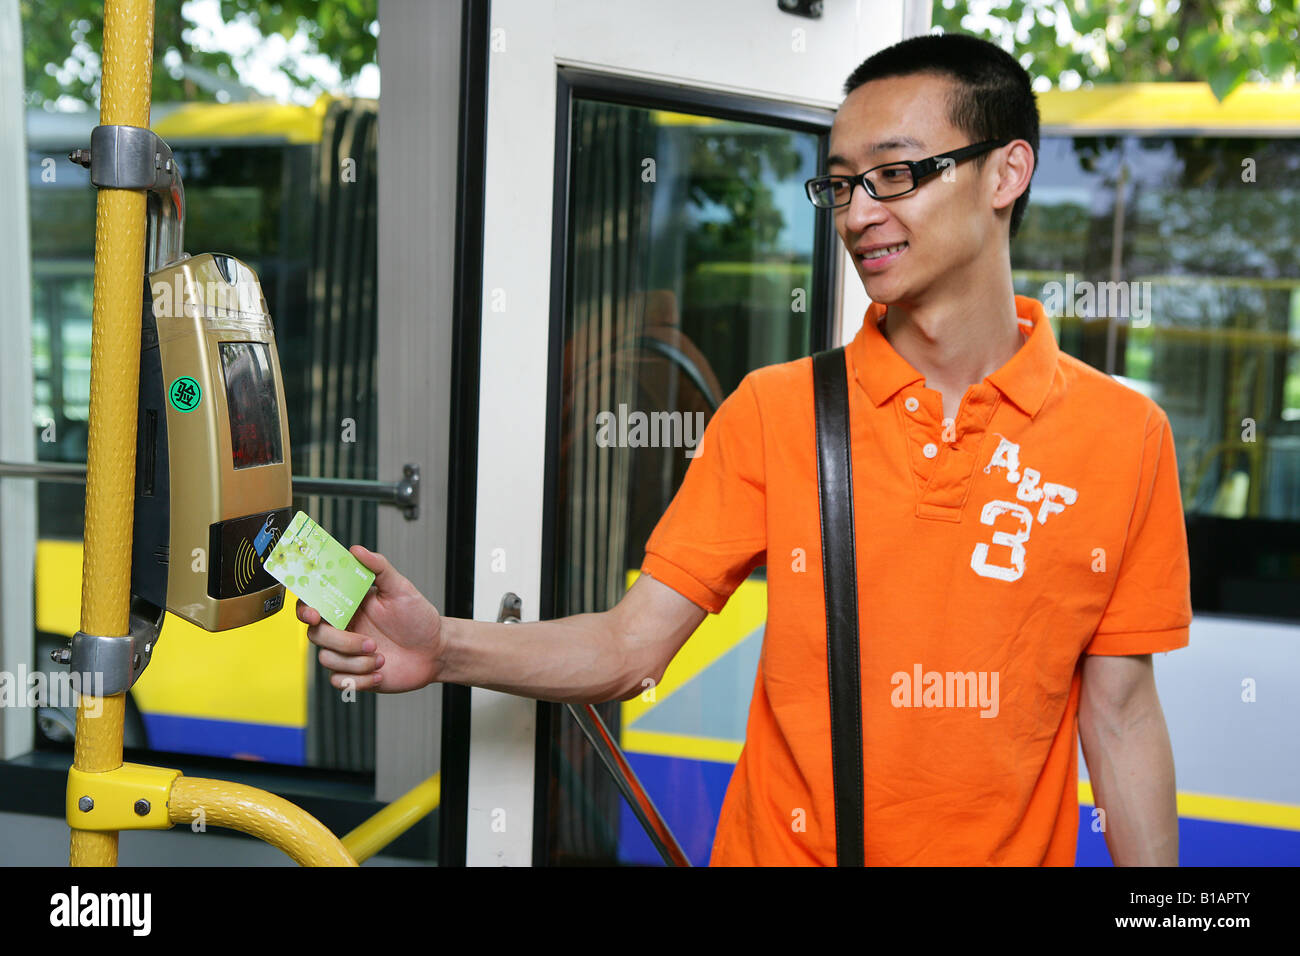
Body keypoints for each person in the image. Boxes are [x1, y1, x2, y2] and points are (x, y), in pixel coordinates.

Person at [299, 32, 1191, 866]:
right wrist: (443, 647)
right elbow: (628, 646)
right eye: (841, 183)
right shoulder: (778, 410)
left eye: (897, 173)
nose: (859, 212)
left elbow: (1119, 718)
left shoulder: (1125, 438)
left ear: (1007, 173)